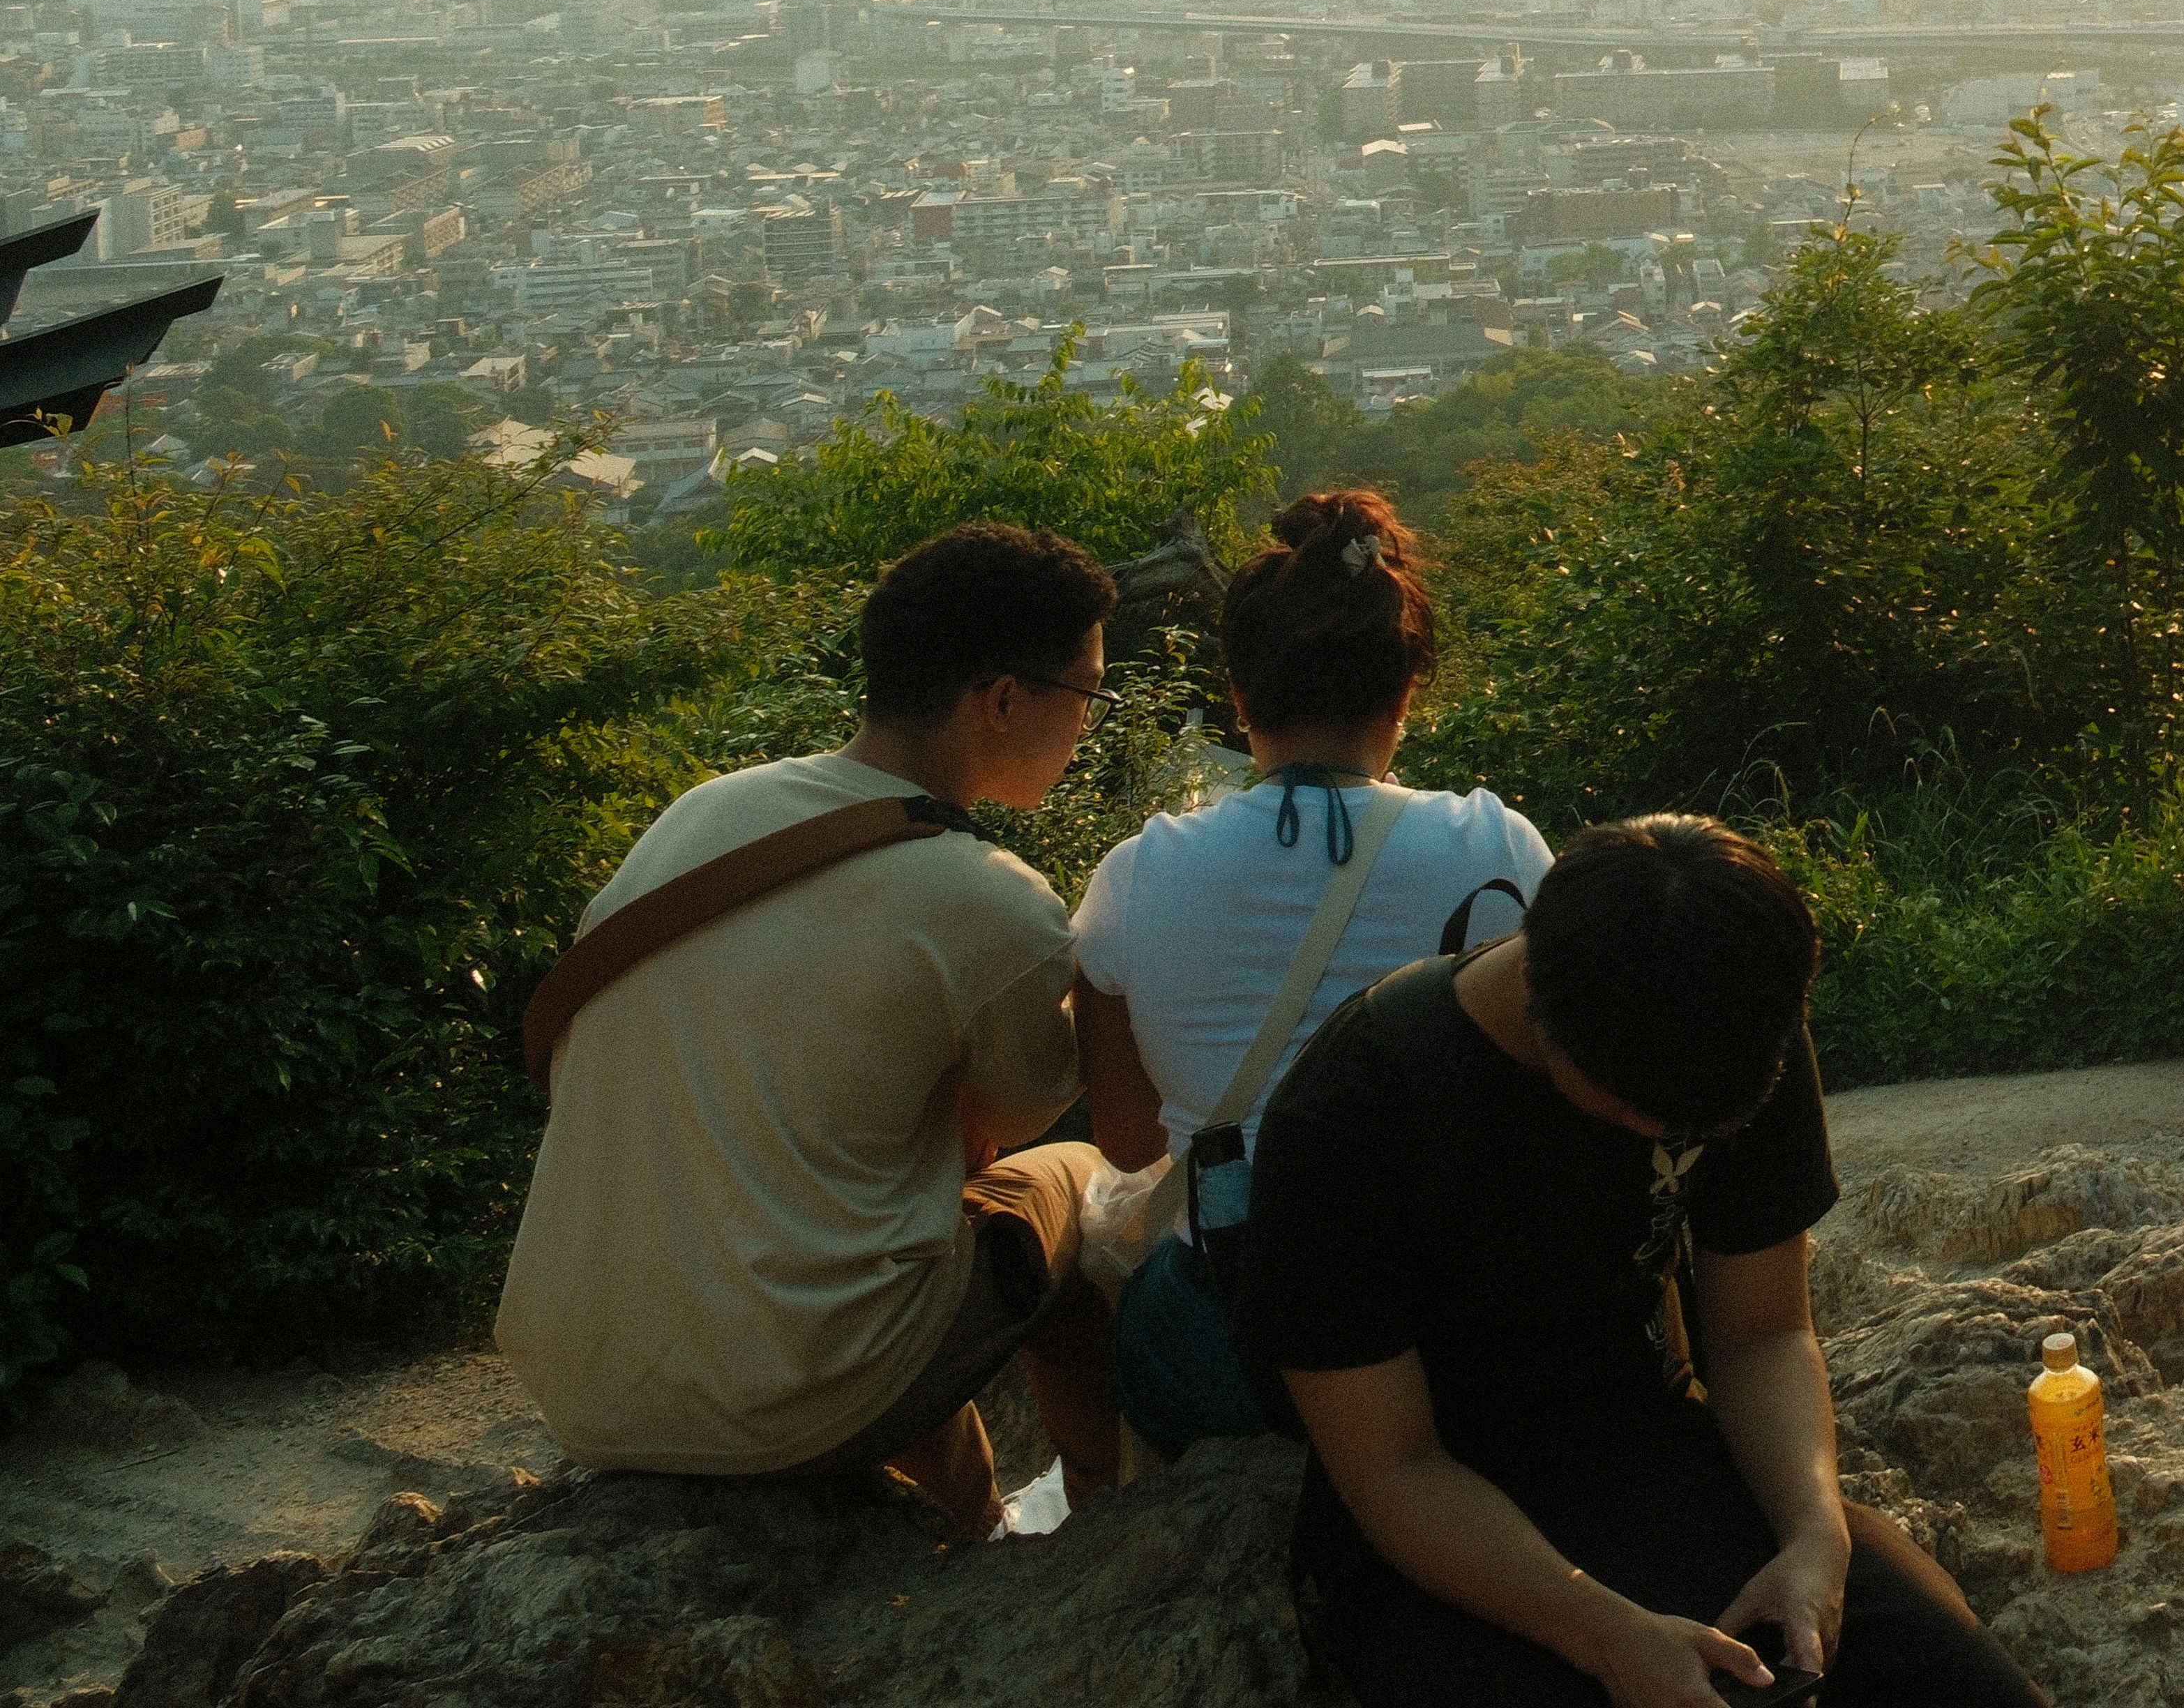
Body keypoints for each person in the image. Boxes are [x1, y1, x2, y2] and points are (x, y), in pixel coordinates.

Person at [1236, 813, 2044, 1708]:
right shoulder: (1351, 1117)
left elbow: (1762, 1332)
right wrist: (1609, 1637)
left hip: (1653, 1451)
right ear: (1539, 992)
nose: (1670, 1132)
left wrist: (1816, 1538)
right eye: (1637, 1112)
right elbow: (1394, 1468)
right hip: (1439, 1530)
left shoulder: (1727, 1018)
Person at [497, 521, 1125, 1538]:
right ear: (1005, 700)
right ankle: (1102, 1515)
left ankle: (969, 1518)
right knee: (1084, 1181)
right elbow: (1010, 1119)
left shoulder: (700, 818)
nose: (1089, 724)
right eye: (1089, 696)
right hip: (792, 1401)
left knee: (867, 1228)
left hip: (586, 1389)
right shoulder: (991, 902)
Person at [1075, 489, 1556, 1459]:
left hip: (1234, 1349)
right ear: (1407, 690)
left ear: (1240, 694)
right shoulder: (1497, 845)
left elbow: (1126, 1138)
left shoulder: (1142, 873)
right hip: (1465, 1328)